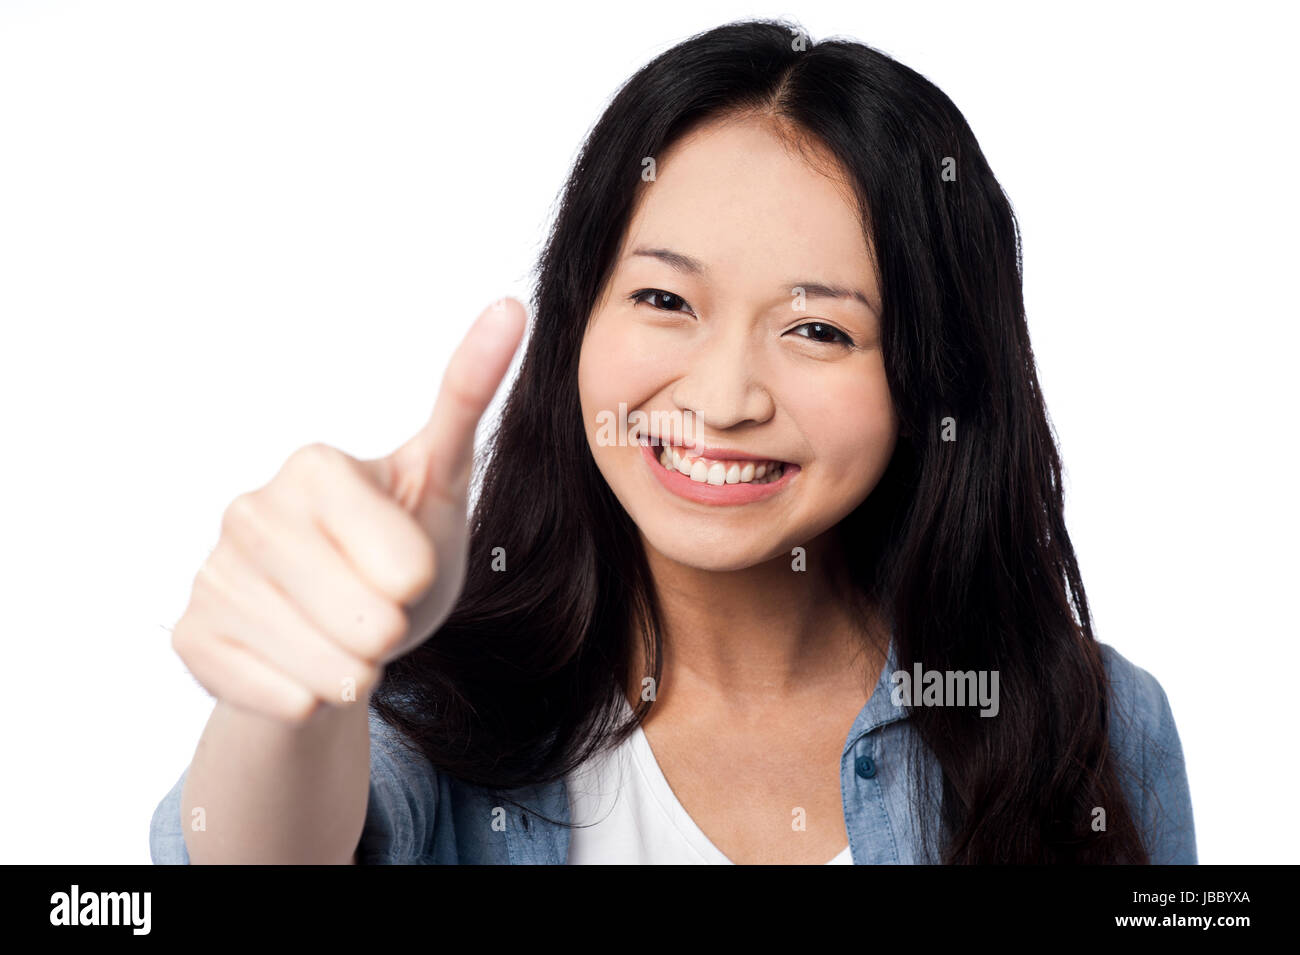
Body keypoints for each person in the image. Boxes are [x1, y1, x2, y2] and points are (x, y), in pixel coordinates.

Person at [150, 18, 1195, 865]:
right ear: (579, 316)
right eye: (663, 297)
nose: (724, 395)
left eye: (818, 329)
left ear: (930, 376)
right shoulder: (436, 698)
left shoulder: (1090, 722)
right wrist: (294, 692)